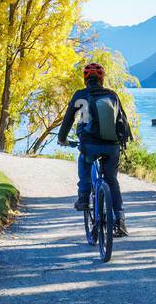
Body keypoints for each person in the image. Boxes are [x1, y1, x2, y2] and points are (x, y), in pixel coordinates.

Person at [56, 62, 132, 237]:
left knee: (84, 161)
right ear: (101, 78)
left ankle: (83, 197)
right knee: (112, 180)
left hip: (89, 145)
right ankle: (120, 221)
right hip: (112, 146)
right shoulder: (112, 95)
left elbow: (68, 120)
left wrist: (62, 139)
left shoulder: (80, 95)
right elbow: (123, 122)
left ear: (85, 78)